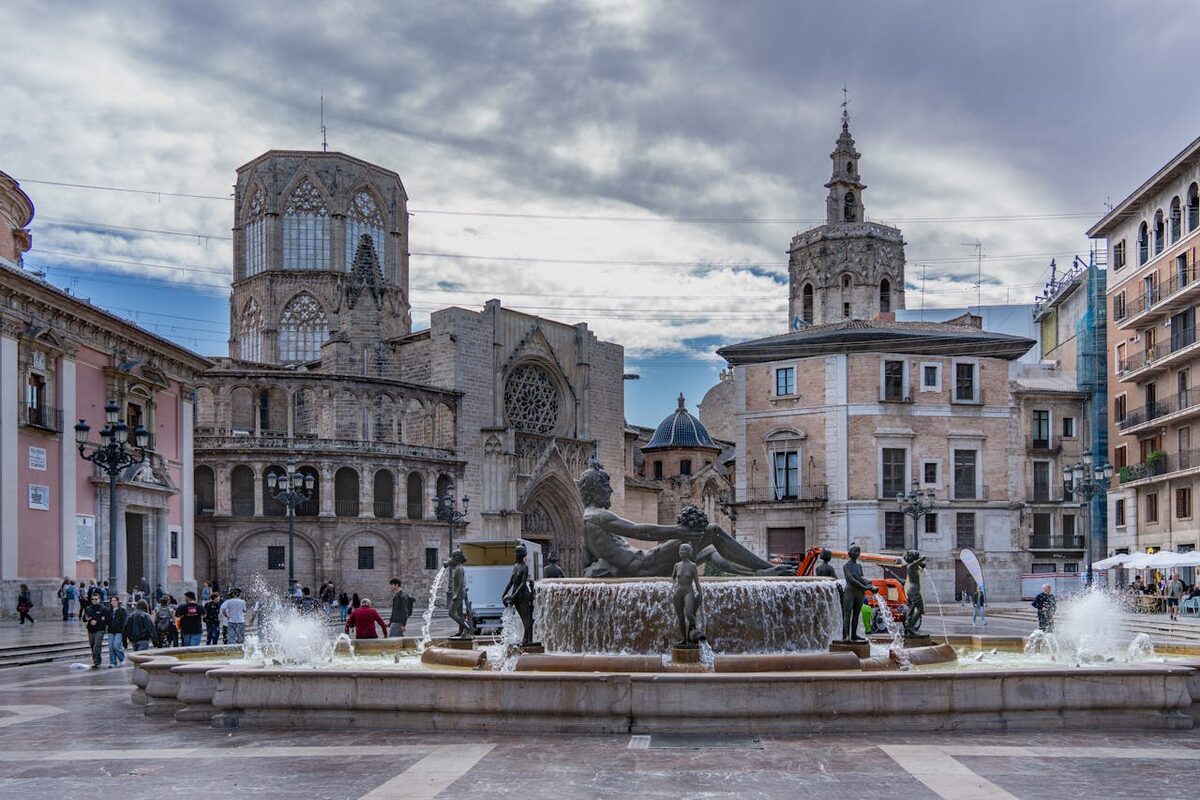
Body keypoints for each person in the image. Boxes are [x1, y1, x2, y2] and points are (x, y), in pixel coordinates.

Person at [81, 593, 109, 669]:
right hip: (90, 630)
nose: (94, 600)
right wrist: (86, 619)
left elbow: (107, 620)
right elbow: (84, 618)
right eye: (92, 599)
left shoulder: (104, 609)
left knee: (97, 645)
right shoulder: (88, 608)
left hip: (100, 629)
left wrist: (97, 622)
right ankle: (95, 660)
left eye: (96, 599)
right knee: (92, 645)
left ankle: (97, 662)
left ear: (99, 600)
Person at [106, 596, 128, 667]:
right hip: (111, 631)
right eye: (112, 600)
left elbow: (124, 621)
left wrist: (121, 629)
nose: (113, 602)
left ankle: (122, 658)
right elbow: (107, 621)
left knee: (115, 645)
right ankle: (113, 662)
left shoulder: (122, 611)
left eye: (114, 600)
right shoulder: (109, 611)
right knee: (110, 647)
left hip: (119, 631)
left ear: (118, 601)